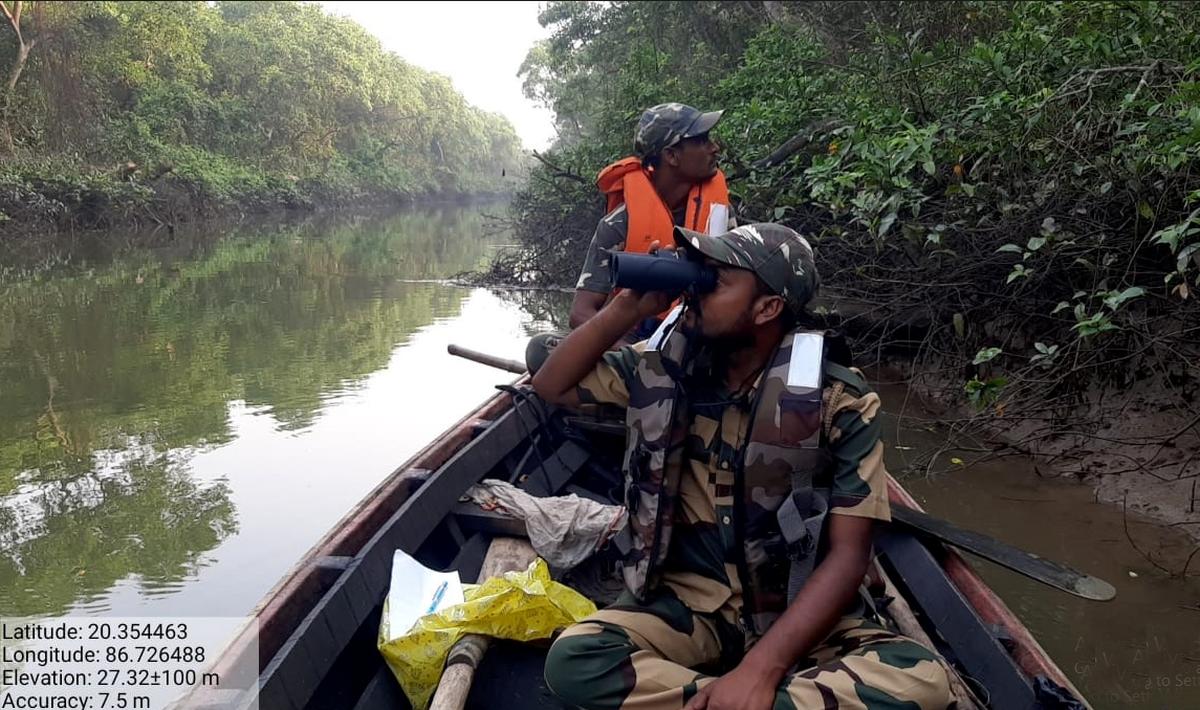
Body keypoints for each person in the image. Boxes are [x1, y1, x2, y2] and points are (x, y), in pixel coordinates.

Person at [531, 223, 953, 710]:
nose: (696, 289)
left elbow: (849, 556)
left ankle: (727, 696)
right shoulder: (663, 368)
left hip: (798, 616)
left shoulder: (839, 400)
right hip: (690, 607)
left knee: (922, 680)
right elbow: (552, 384)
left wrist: (760, 670)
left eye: (716, 280)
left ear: (767, 308)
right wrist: (629, 305)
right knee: (574, 658)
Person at [570, 102, 736, 333]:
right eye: (701, 140)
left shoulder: (719, 211)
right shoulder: (618, 224)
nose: (714, 147)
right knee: (541, 347)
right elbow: (581, 313)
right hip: (639, 339)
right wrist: (629, 358)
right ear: (671, 155)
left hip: (703, 337)